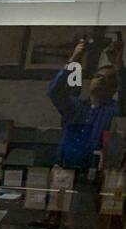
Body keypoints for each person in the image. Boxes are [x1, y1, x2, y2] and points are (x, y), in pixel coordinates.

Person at [48, 33, 122, 170]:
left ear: (114, 87)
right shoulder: (75, 107)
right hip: (64, 170)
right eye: (98, 76)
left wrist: (118, 64)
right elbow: (55, 91)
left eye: (108, 79)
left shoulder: (115, 111)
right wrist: (74, 59)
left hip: (96, 173)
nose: (101, 80)